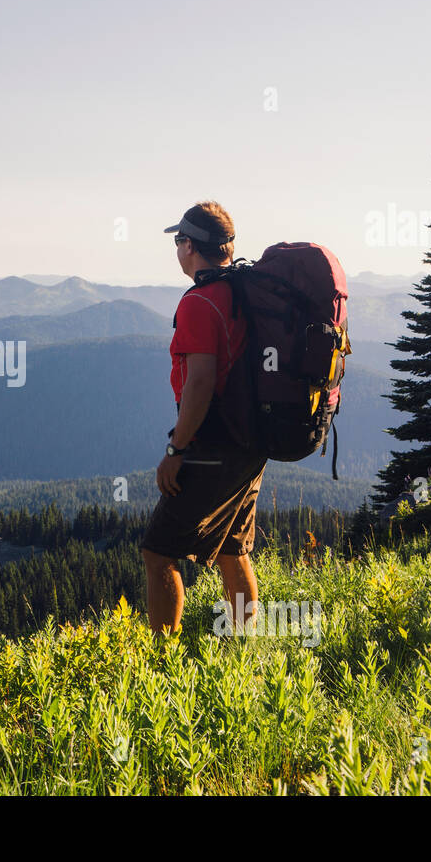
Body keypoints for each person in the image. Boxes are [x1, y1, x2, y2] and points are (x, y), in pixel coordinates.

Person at [139, 201, 266, 636]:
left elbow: (199, 386)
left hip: (212, 446)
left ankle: (164, 661)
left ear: (190, 245)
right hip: (253, 441)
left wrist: (176, 450)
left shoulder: (199, 302)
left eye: (178, 241)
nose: (177, 249)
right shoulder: (244, 292)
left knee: (158, 554)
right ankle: (244, 646)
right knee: (232, 550)